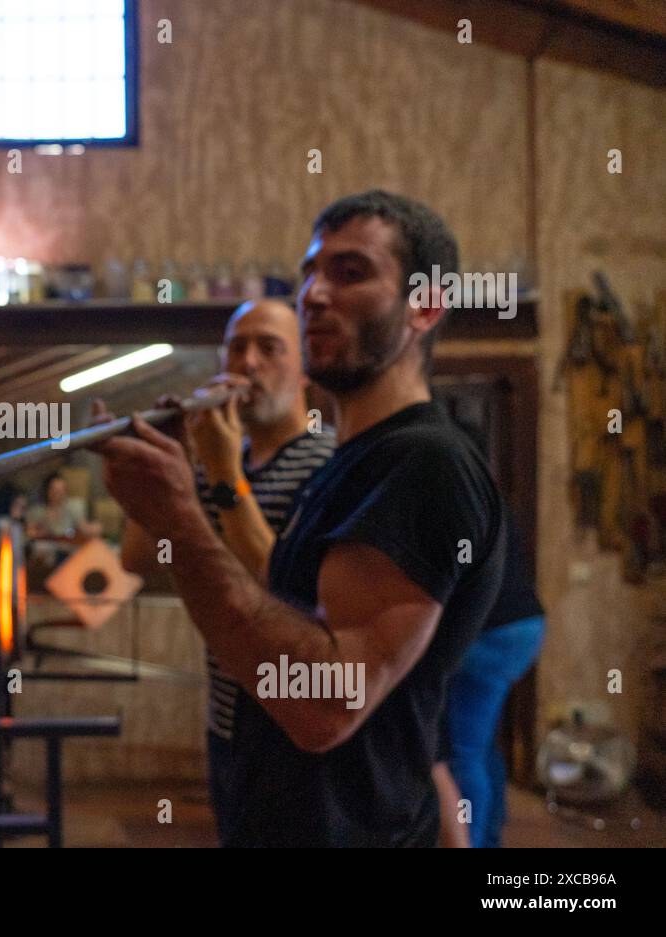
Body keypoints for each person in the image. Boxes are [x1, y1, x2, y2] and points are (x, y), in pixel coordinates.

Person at [91, 190, 506, 846]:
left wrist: (183, 514)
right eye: (310, 272)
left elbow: (325, 702)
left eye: (350, 273)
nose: (313, 294)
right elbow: (283, 608)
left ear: (425, 304)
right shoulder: (352, 460)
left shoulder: (425, 462)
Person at [120, 299, 335, 846]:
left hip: (296, 720)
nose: (249, 363)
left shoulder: (328, 461)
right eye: (237, 347)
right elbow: (139, 561)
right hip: (228, 717)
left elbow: (283, 584)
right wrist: (161, 464)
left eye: (270, 347)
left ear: (305, 367)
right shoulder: (216, 463)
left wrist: (220, 473)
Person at [436, 513, 546, 847]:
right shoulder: (489, 502)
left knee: (462, 753)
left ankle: (476, 840)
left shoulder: (447, 498)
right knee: (480, 744)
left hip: (493, 633)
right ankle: (491, 833)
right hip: (525, 625)